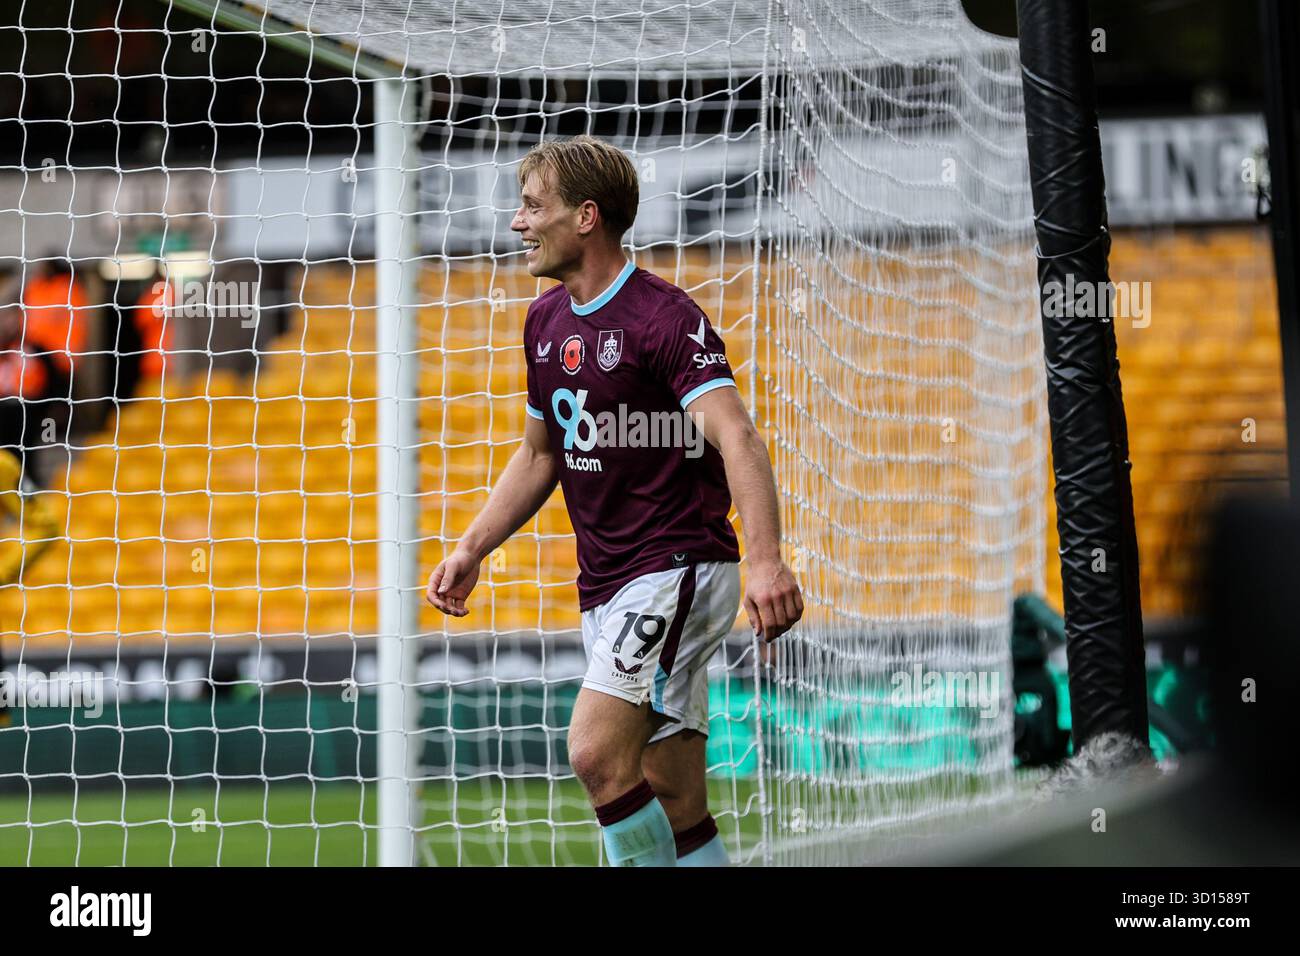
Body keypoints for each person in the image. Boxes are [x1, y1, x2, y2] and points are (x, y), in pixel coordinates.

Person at [426, 135, 804, 866]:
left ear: (588, 217)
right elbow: (541, 455)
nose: (518, 223)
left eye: (534, 207)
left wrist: (766, 562)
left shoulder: (663, 319)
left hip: (676, 564)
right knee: (672, 794)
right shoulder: (544, 323)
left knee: (596, 754)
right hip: (609, 582)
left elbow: (739, 437)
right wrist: (472, 547)